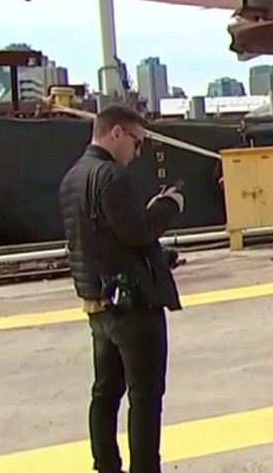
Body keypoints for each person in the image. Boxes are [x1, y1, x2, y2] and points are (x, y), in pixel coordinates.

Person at [59, 105, 185, 473]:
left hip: (97, 303)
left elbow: (102, 239)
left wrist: (159, 256)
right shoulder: (112, 177)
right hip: (133, 306)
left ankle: (106, 465)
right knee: (145, 398)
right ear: (116, 133)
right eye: (136, 142)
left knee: (105, 392)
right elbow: (137, 231)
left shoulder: (72, 178)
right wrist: (168, 206)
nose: (137, 151)